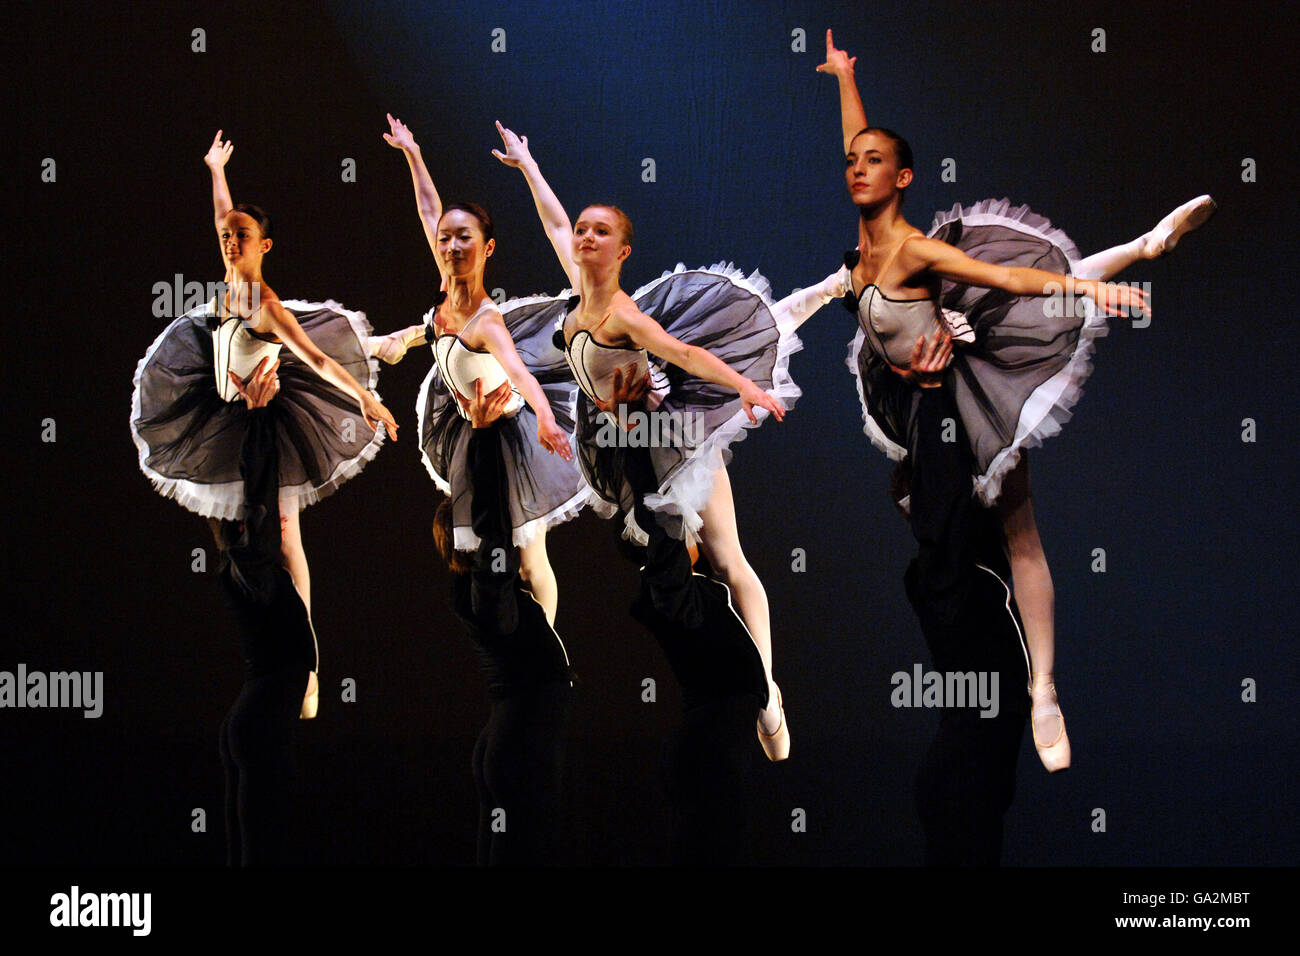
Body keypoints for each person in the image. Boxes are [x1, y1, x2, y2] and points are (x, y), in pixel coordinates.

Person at [816, 31, 1214, 770]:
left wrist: (1092, 291)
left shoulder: (912, 249)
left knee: (1020, 532)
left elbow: (1014, 283)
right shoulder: (866, 238)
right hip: (912, 393)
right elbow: (857, 140)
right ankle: (1141, 247)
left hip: (966, 389)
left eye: (876, 163)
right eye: (852, 163)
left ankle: (1042, 690)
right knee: (939, 529)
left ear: (903, 179)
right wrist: (843, 76)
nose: (858, 170)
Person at [494, 121, 848, 760]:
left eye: (601, 231)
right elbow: (552, 222)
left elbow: (683, 351)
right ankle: (728, 683)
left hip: (668, 437)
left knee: (726, 557)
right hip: (618, 439)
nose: (585, 236)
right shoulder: (578, 299)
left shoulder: (624, 314)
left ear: (623, 251)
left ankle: (766, 691)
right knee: (670, 575)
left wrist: (746, 387)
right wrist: (527, 166)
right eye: (583, 229)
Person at [132, 130, 400, 718]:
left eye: (242, 237)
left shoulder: (266, 303)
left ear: (265, 246)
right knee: (238, 543)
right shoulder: (228, 284)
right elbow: (219, 218)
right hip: (226, 415)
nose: (230, 243)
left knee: (283, 540)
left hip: (267, 423)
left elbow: (318, 359)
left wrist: (366, 401)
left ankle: (309, 675)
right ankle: (274, 654)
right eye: (227, 237)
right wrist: (215, 171)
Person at [369, 114, 591, 625]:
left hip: (509, 428)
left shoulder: (487, 321)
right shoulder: (446, 288)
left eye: (462, 239)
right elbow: (429, 210)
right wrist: (414, 152)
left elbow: (519, 372)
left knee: (530, 553)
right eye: (446, 240)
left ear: (486, 249)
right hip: (470, 421)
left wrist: (545, 417)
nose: (449, 246)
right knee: (484, 543)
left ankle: (549, 648)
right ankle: (507, 631)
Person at [889, 334, 1031, 864]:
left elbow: (945, 491)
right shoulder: (944, 573)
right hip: (961, 783)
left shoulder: (956, 572)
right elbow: (943, 499)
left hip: (962, 777)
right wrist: (930, 392)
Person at [432, 378, 575, 865]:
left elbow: (529, 557)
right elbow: (493, 529)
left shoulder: (492, 595)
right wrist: (483, 434)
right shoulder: (489, 594)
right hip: (516, 750)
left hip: (505, 745)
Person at [212, 357, 316, 865]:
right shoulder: (249, 563)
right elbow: (258, 494)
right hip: (256, 727)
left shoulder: (256, 568)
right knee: (260, 850)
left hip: (253, 724)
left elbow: (279, 525)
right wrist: (257, 417)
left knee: (253, 849)